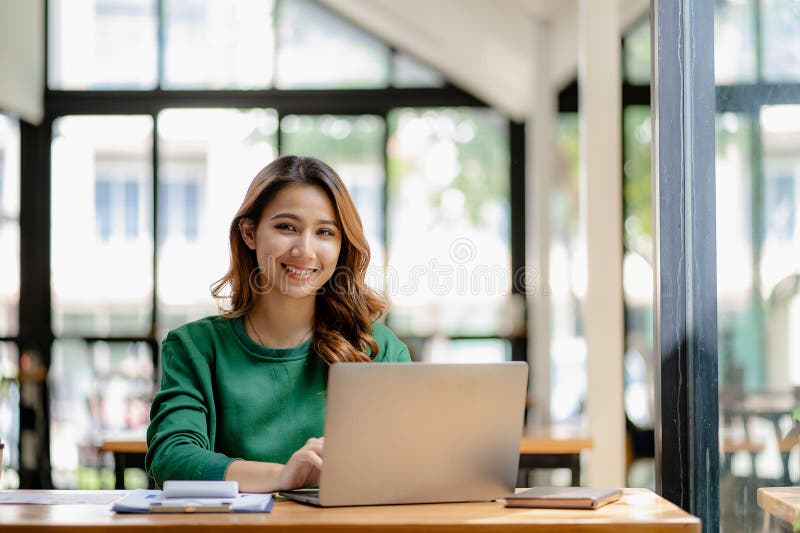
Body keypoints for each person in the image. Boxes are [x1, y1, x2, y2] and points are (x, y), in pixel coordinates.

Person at [145, 155, 411, 493]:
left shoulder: (376, 348)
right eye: (287, 227)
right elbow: (171, 458)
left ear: (342, 244)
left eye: (325, 232)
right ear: (250, 232)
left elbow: (405, 461)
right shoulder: (195, 347)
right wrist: (285, 476)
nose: (305, 249)